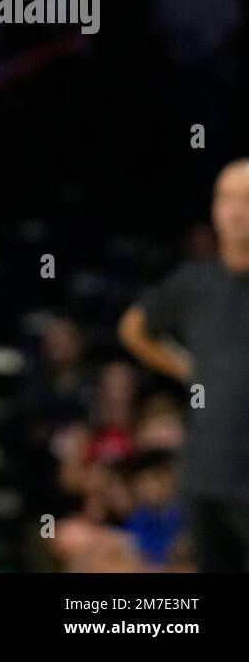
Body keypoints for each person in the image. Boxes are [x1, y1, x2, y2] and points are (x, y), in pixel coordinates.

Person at [118, 157, 249, 572]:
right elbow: (134, 328)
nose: (236, 211)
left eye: (247, 200)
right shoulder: (195, 282)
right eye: (227, 199)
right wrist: (183, 366)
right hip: (205, 470)